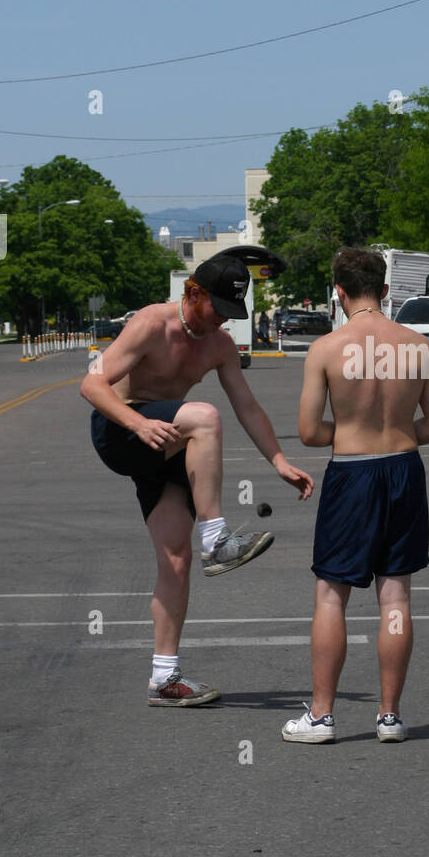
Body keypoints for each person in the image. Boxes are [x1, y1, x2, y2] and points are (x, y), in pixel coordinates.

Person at [81, 255, 314, 708]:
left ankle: (163, 678)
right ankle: (217, 538)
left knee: (176, 559)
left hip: (168, 445)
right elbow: (92, 385)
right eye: (217, 310)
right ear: (193, 294)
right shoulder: (152, 323)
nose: (221, 321)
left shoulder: (220, 346)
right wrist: (137, 424)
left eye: (231, 313)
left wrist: (279, 461)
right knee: (204, 416)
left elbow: (248, 406)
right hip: (120, 432)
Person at [282, 247, 429, 744]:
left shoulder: (327, 349)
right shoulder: (419, 347)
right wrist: (392, 431)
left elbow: (309, 432)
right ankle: (390, 716)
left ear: (338, 291)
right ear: (386, 289)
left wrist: (354, 432)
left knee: (332, 594)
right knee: (394, 595)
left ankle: (321, 716)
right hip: (403, 469)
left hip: (351, 474)